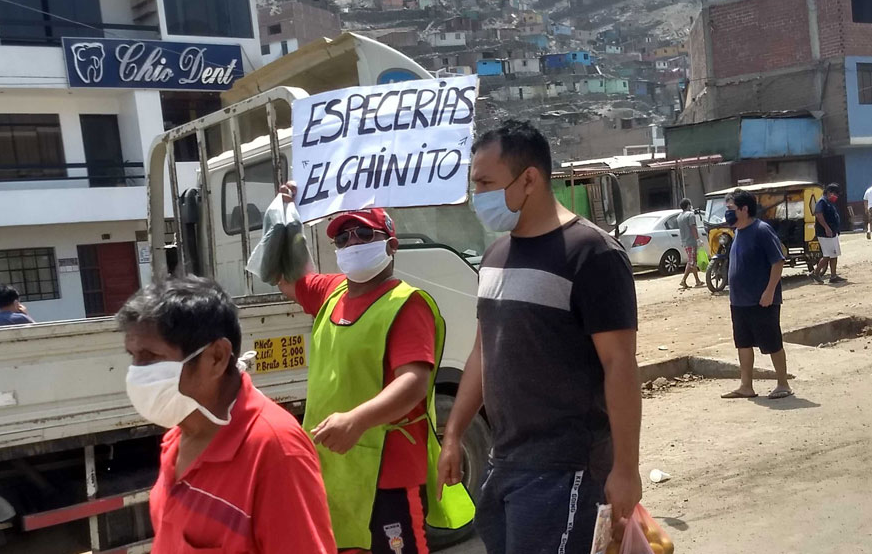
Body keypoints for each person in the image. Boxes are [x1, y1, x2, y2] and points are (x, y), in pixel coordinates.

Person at [437, 119, 641, 553]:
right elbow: (482, 350)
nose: (478, 197)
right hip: (505, 462)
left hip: (565, 470)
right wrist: (453, 434)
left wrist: (626, 468)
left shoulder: (592, 253)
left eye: (485, 183)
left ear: (529, 179)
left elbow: (619, 364)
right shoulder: (495, 255)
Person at [275, 194, 473, 553]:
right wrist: (292, 213)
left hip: (390, 472)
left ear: (391, 245)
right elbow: (291, 278)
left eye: (364, 235)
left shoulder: (405, 304)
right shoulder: (333, 292)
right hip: (338, 468)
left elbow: (413, 383)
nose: (352, 243)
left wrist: (356, 420)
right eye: (343, 237)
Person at [118, 275, 336, 553]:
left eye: (150, 356)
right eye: (133, 356)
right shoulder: (178, 435)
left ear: (217, 357)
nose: (137, 372)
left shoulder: (275, 452)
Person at [720, 190, 793, 400]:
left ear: (744, 209)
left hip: (762, 300)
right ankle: (746, 386)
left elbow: (777, 261)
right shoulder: (737, 233)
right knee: (742, 343)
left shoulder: (761, 230)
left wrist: (769, 291)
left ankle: (783, 384)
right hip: (739, 301)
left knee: (772, 342)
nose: (728, 214)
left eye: (731, 209)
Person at [811, 183, 845, 284]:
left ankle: (833, 276)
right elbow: (818, 215)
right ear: (829, 192)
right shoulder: (822, 202)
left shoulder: (830, 202)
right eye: (835, 194)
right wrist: (826, 228)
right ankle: (815, 273)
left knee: (834, 254)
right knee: (827, 255)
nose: (836, 197)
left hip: (832, 232)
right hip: (824, 233)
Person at [678, 198, 703, 289]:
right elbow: (693, 228)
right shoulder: (690, 215)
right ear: (688, 205)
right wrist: (698, 239)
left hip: (684, 241)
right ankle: (683, 280)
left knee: (692, 261)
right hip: (691, 241)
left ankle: (697, 281)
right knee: (691, 261)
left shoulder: (679, 216)